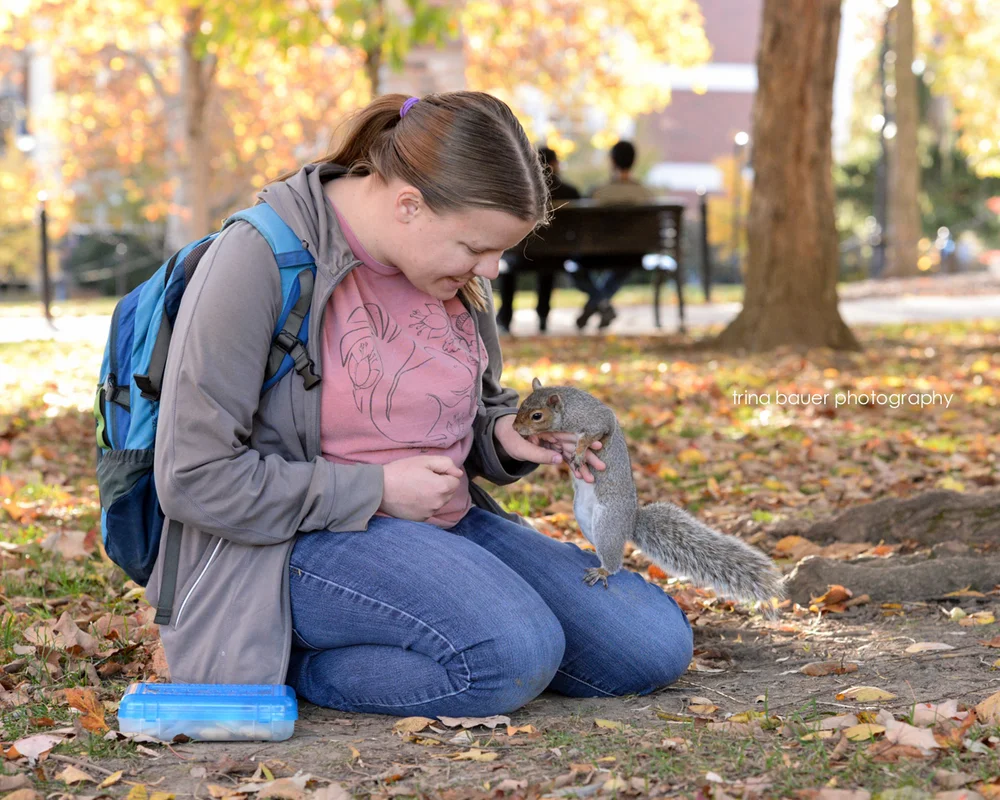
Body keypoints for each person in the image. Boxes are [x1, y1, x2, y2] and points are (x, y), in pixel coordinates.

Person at [147, 91, 692, 718]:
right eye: (476, 248)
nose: (491, 270)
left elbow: (468, 412)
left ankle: (459, 624)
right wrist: (376, 489)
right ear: (409, 205)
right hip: (295, 546)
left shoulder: (450, 273)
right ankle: (286, 660)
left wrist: (504, 436)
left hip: (445, 525)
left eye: (500, 252)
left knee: (648, 647)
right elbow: (192, 476)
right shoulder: (258, 258)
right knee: (514, 654)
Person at [495, 146, 581, 334]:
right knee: (547, 263)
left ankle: (505, 317)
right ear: (555, 164)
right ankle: (543, 315)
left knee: (510, 265)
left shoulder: (520, 191)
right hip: (556, 256)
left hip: (522, 255)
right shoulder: (570, 192)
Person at [574, 140, 656, 331]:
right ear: (634, 161)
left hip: (598, 253)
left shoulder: (598, 193)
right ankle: (602, 303)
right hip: (633, 254)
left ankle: (599, 302)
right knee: (624, 264)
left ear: (612, 161)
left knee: (574, 266)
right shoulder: (645, 194)